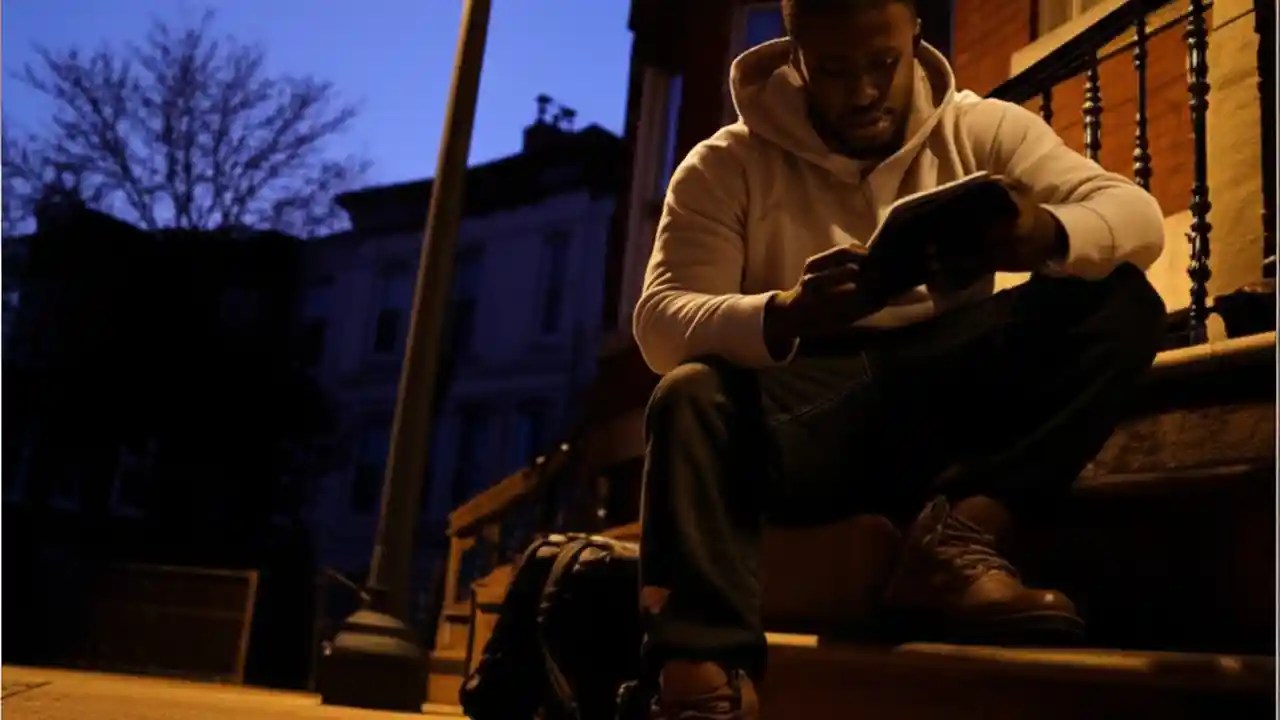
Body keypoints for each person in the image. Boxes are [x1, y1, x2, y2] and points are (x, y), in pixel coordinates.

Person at [631, 0, 1168, 717]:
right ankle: (700, 670)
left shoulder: (982, 126)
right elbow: (660, 324)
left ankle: (959, 540)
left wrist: (1047, 233)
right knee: (691, 393)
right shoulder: (725, 164)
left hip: (949, 397)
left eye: (882, 64)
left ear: (917, 32)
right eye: (832, 70)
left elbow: (1137, 218)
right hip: (809, 410)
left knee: (1121, 299)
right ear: (795, 53)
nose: (861, 92)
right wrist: (784, 312)